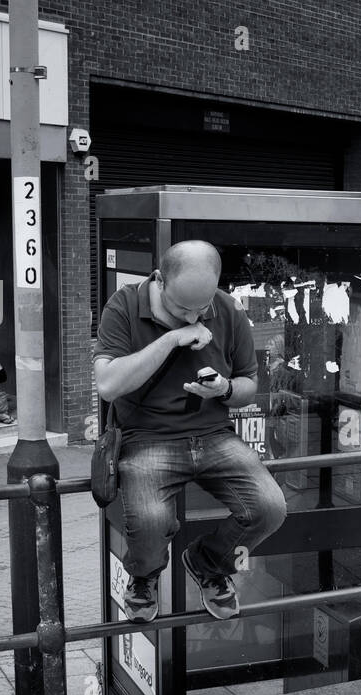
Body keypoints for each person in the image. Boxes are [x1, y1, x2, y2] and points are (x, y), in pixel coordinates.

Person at [94, 240, 287, 623]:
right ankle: (145, 575)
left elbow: (249, 382)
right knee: (149, 524)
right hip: (147, 436)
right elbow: (108, 385)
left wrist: (225, 389)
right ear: (160, 280)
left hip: (214, 433)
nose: (193, 317)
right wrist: (170, 339)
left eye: (202, 308)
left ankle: (208, 563)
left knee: (270, 508)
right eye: (183, 308)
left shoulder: (228, 308)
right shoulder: (125, 306)